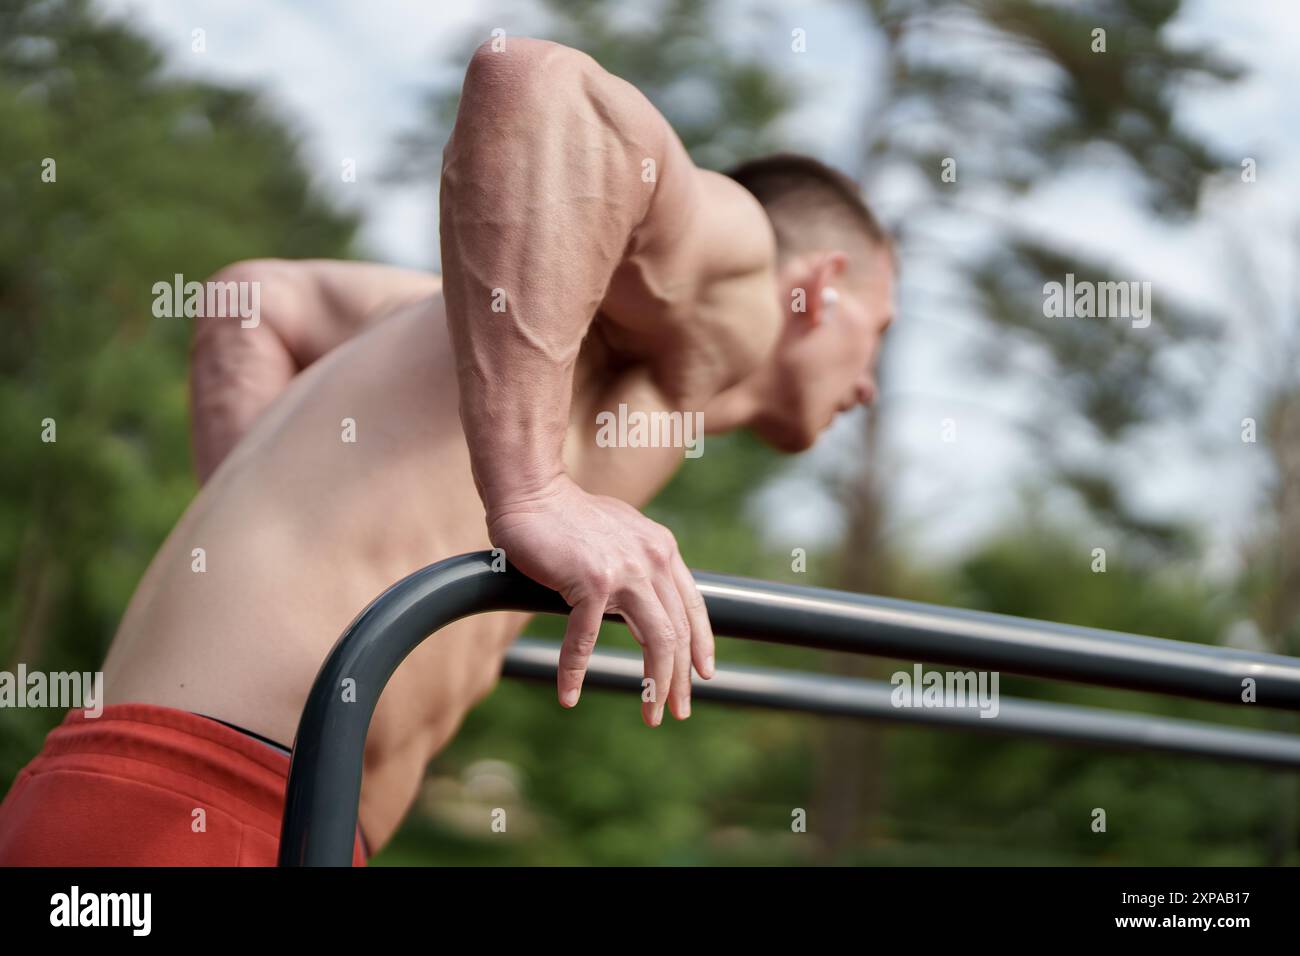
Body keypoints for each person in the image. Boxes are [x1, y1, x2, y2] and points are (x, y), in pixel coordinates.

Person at [0, 37, 895, 866]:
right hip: (213, 803)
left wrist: (270, 545)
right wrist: (535, 493)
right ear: (820, 289)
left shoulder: (479, 330)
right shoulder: (745, 273)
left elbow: (254, 300)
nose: (872, 387)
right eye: (881, 332)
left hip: (142, 789)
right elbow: (536, 84)